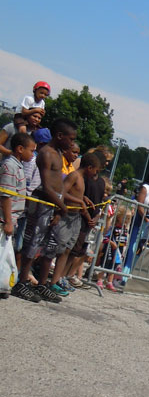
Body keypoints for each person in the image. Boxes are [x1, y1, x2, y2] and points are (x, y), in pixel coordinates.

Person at [12, 119, 81, 302]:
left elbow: (59, 185)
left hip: (54, 204)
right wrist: (61, 205)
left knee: (49, 247)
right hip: (43, 202)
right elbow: (47, 185)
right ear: (60, 136)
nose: (72, 143)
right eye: (70, 139)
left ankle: (42, 284)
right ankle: (22, 282)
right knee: (33, 243)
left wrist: (59, 207)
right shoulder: (46, 153)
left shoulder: (59, 154)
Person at [47, 153, 101, 294]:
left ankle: (56, 280)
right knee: (57, 248)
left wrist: (83, 198)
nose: (95, 174)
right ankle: (48, 281)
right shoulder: (74, 175)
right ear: (89, 167)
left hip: (76, 217)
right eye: (95, 170)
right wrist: (79, 201)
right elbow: (62, 192)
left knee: (67, 250)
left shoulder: (81, 179)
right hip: (66, 216)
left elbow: (74, 192)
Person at [0, 132, 37, 298]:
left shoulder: (18, 166)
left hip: (13, 218)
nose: (33, 154)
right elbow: (6, 195)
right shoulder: (9, 166)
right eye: (31, 150)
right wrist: (8, 221)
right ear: (20, 149)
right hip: (4, 218)